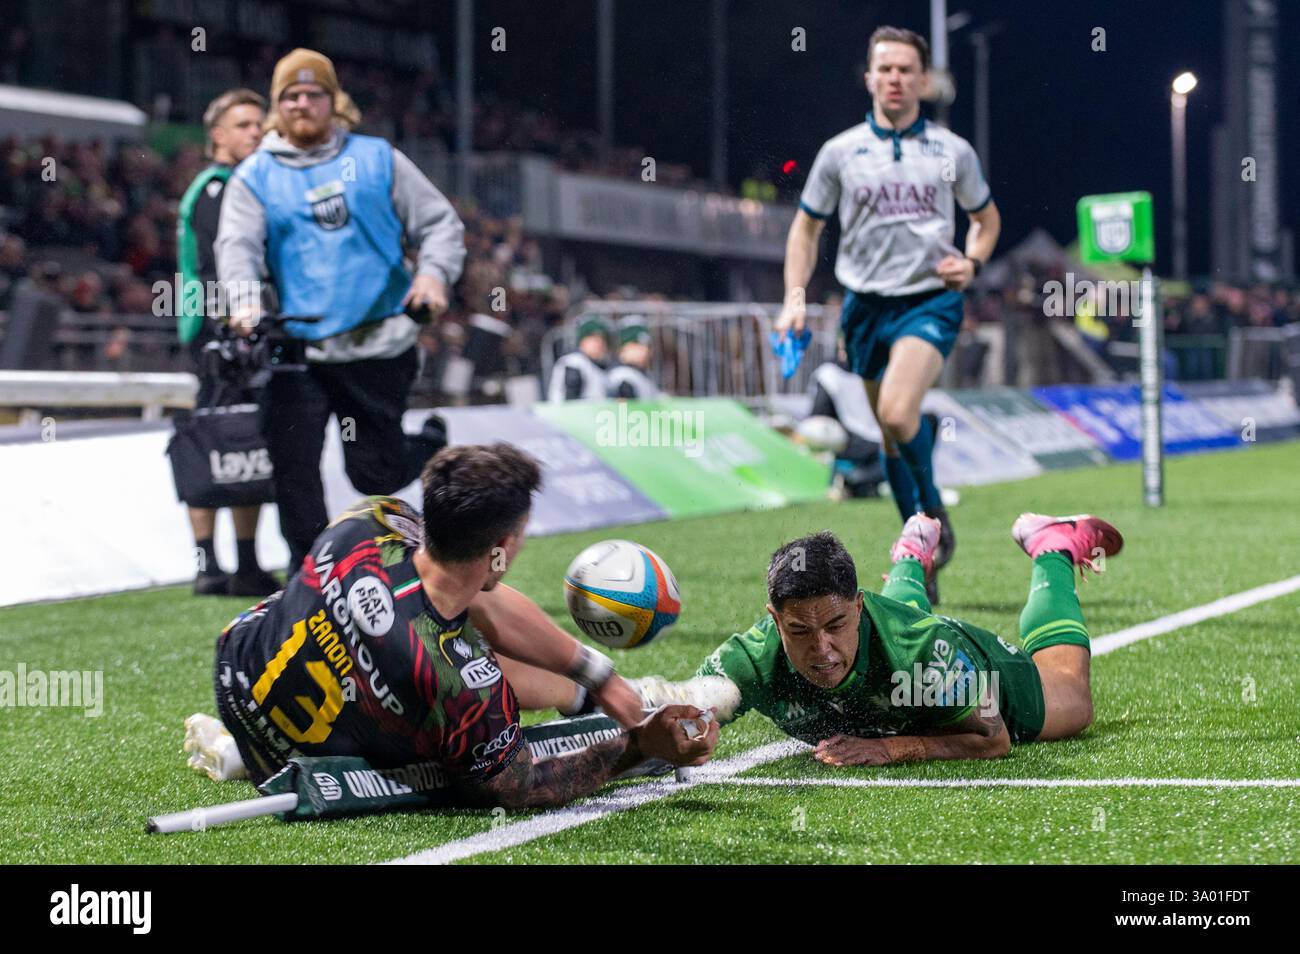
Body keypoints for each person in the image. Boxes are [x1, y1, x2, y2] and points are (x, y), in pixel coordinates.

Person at [186, 443, 718, 806]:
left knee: (450, 639)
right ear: (501, 550)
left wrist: (596, 677)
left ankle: (584, 696)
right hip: (295, 756)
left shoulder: (370, 519)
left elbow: (478, 597)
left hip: (238, 663)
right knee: (461, 677)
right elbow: (518, 783)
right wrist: (643, 746)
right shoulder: (455, 683)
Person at [775, 25, 1002, 604]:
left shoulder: (953, 153)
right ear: (870, 77)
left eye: (906, 70)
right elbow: (806, 228)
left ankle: (932, 521)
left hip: (929, 300)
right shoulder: (841, 152)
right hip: (864, 308)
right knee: (891, 432)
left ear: (924, 81)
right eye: (886, 69)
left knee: (900, 412)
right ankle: (920, 552)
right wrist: (795, 298)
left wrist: (972, 263)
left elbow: (987, 220)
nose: (895, 79)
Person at [215, 49, 459, 574]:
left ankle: (428, 444)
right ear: (278, 106)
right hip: (297, 349)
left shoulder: (378, 159)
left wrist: (433, 275)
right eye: (290, 96)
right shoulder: (255, 175)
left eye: (314, 94)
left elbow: (440, 222)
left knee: (376, 472)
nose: (302, 103)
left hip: (379, 342)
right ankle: (313, 582)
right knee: (294, 468)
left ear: (334, 101)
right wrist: (245, 303)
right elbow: (237, 246)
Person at [634, 510, 1122, 766]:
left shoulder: (925, 656)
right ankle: (910, 552)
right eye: (799, 631)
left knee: (1073, 700)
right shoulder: (754, 657)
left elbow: (991, 741)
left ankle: (1052, 546)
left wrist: (894, 749)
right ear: (774, 619)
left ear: (859, 605)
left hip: (968, 665)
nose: (821, 650)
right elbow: (689, 699)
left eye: (835, 625)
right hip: (898, 637)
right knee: (898, 628)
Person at [176, 88, 279, 597]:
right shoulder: (218, 189)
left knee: (239, 440)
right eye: (243, 125)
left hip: (226, 329)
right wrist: (235, 320)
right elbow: (221, 267)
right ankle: (213, 564)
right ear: (217, 135)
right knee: (216, 438)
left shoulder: (232, 185)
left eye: (259, 125)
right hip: (219, 333)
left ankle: (238, 564)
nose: (255, 133)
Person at [547, 318, 610, 401]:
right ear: (582, 341)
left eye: (602, 340)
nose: (599, 344)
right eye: (594, 339)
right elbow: (571, 400)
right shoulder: (574, 362)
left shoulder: (597, 366)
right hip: (570, 413)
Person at [606, 319, 660, 399]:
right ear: (623, 348)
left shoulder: (641, 374)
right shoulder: (622, 378)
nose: (644, 351)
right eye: (636, 346)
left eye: (647, 346)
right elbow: (622, 410)